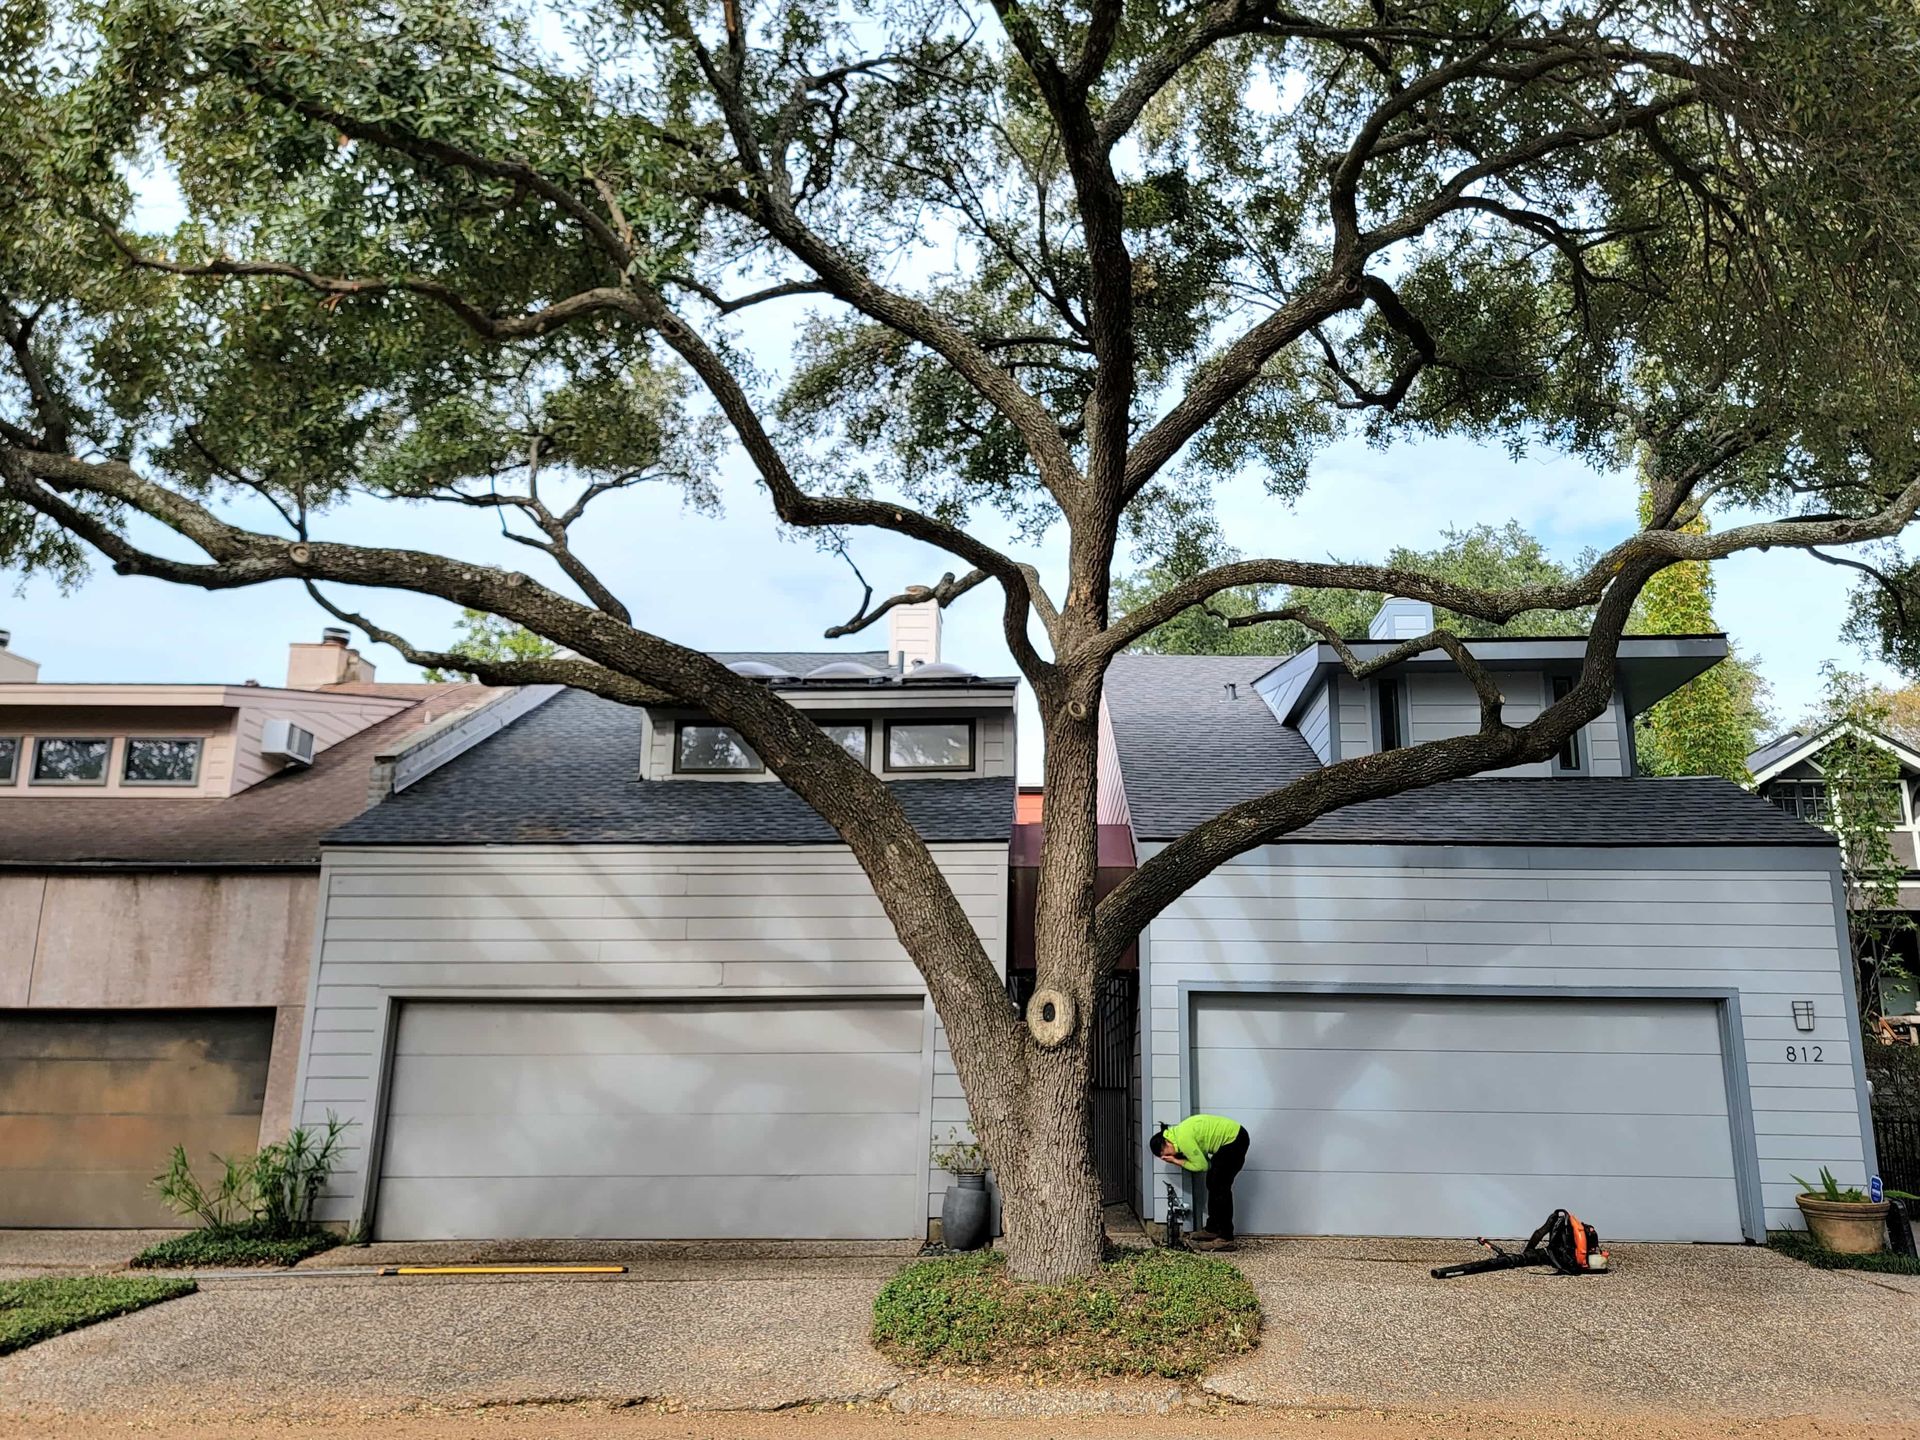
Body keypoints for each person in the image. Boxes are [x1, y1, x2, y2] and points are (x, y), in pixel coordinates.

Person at [1150, 1114, 1249, 1248]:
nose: (1168, 1156)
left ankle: (1226, 1237)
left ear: (1166, 1142)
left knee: (1220, 1187)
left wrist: (1176, 1161)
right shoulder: (1179, 1133)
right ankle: (1212, 1229)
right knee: (1213, 1182)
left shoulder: (1183, 1138)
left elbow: (1202, 1166)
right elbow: (1206, 1164)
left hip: (1234, 1140)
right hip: (1233, 1138)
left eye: (1165, 1153)